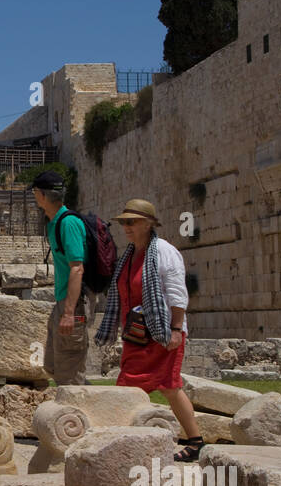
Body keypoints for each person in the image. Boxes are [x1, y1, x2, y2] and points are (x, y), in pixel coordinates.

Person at [92, 199, 204, 461]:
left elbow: (177, 294)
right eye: (124, 222)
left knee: (165, 386)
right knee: (146, 386)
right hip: (137, 334)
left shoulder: (164, 252)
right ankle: (129, 441)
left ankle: (192, 441)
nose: (126, 227)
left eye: (132, 222)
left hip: (162, 332)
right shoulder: (131, 255)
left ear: (149, 224)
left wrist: (176, 329)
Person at [30, 170, 92, 386]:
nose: (34, 196)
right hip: (62, 302)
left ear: (42, 195)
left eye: (35, 192)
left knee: (70, 378)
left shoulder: (68, 224)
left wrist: (68, 313)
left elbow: (77, 268)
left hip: (72, 305)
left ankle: (77, 415)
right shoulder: (54, 223)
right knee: (53, 365)